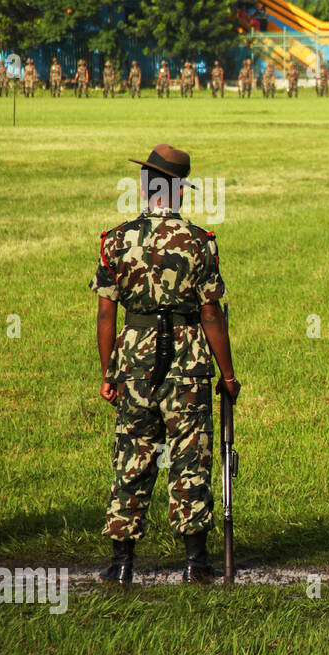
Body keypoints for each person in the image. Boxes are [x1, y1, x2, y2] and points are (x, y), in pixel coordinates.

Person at [92, 144, 240, 585]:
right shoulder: (198, 242)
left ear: (145, 187)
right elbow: (211, 313)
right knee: (190, 459)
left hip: (134, 362)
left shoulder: (116, 239)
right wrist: (228, 375)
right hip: (188, 362)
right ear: (178, 193)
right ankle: (196, 563)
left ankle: (121, 564)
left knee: (132, 458)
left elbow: (106, 314)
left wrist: (108, 373)